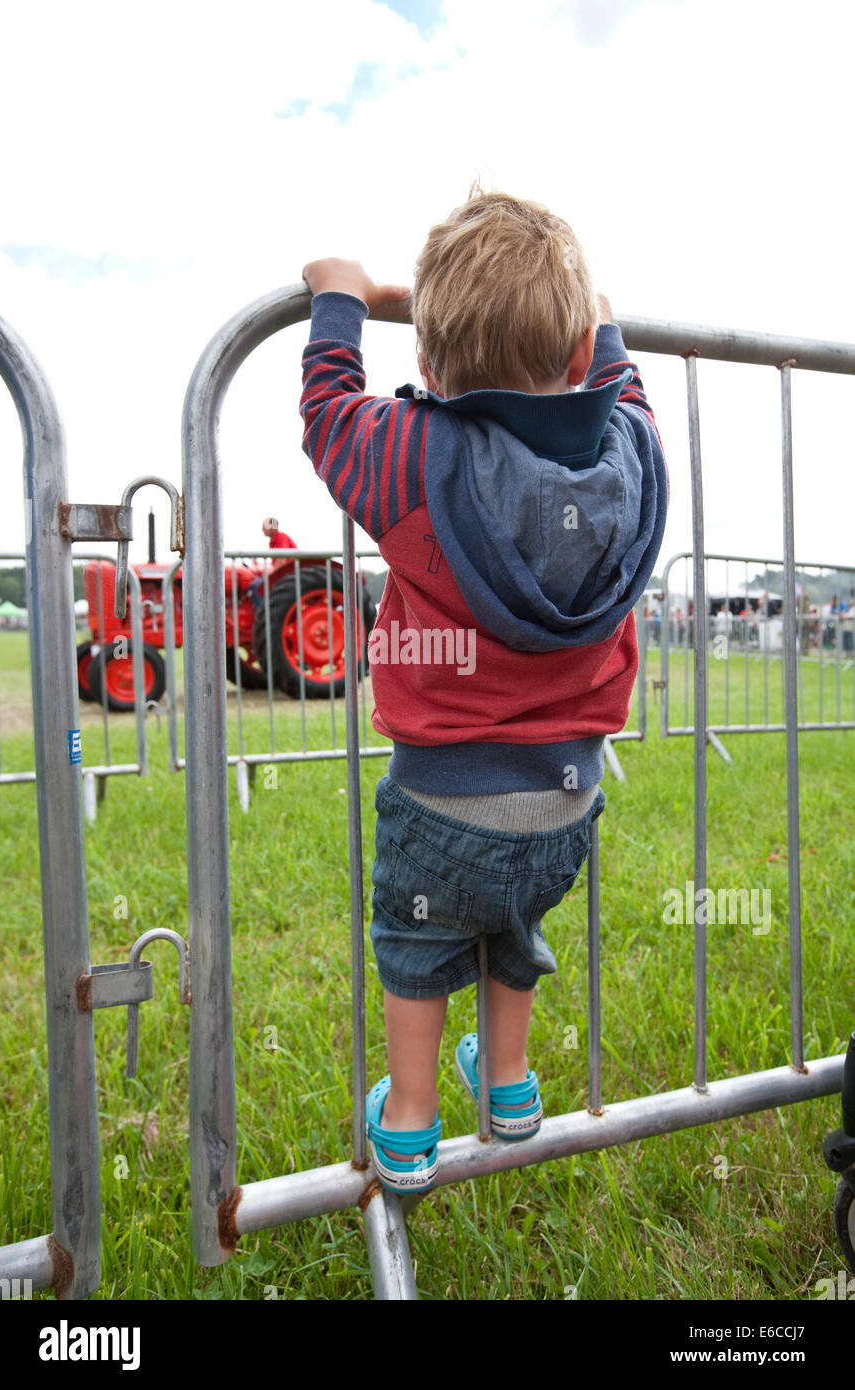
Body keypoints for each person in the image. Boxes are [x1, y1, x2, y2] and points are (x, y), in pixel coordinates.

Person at [299, 190, 668, 1193]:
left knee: (417, 937)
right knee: (512, 928)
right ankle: (508, 1089)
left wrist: (341, 300)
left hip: (440, 809)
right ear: (573, 359)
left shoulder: (413, 458)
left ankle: (410, 1125)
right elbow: (619, 374)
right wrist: (587, 315)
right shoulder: (630, 455)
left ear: (426, 367)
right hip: (565, 806)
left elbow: (328, 413)